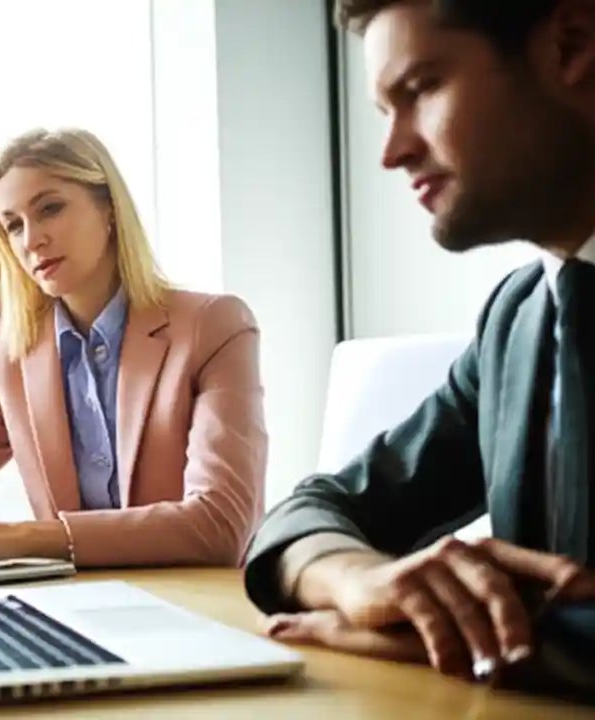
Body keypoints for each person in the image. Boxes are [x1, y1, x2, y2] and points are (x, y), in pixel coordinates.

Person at [244, 0, 595, 693]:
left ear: (572, 44)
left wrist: (508, 640)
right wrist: (360, 581)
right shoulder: (519, 319)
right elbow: (314, 508)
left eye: (422, 89)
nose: (392, 151)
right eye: (383, 111)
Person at [0, 128, 268, 570]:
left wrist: (11, 538)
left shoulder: (214, 327)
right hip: (72, 609)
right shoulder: (8, 351)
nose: (32, 240)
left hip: (198, 608)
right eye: (13, 225)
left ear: (109, 210)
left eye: (50, 209)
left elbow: (221, 525)